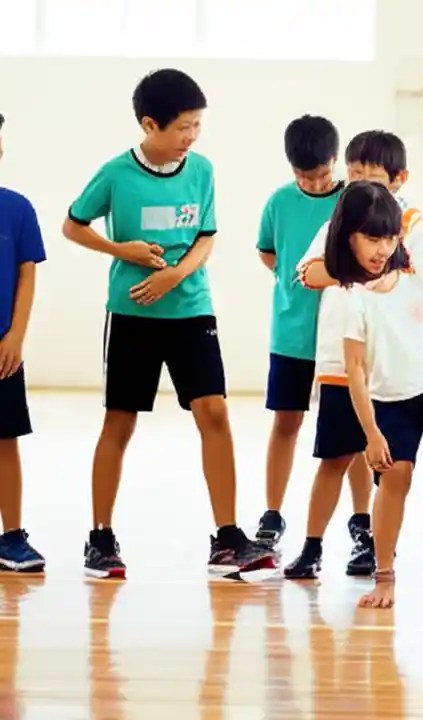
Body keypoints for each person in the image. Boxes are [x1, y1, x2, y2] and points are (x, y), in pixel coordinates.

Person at [62, 69, 273, 579]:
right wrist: (122, 250)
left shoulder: (201, 170)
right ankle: (100, 538)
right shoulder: (116, 174)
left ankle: (227, 538)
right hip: (133, 313)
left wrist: (176, 274)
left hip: (191, 308)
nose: (192, 136)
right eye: (183, 127)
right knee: (120, 420)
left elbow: (206, 235)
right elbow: (73, 225)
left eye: (198, 125)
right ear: (149, 125)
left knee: (214, 412)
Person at [284, 130, 423, 578]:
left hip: (396, 371)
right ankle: (312, 546)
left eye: (370, 177)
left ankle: (374, 544)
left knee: (390, 466)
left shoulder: (419, 228)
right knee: (334, 457)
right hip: (341, 362)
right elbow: (308, 274)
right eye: (353, 175)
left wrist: (357, 268)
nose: (359, 185)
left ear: (399, 178)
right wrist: (359, 268)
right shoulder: (339, 223)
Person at [326, 181, 423, 609]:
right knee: (395, 480)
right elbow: (355, 371)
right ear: (347, 237)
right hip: (390, 404)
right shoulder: (351, 299)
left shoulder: (418, 281)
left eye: (390, 238)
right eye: (371, 238)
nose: (382, 249)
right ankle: (384, 577)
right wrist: (371, 433)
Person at [254, 115, 348, 551]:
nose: (313, 183)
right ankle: (272, 512)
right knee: (286, 422)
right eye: (303, 176)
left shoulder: (351, 201)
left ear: (336, 160)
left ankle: (361, 518)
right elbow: (268, 252)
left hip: (342, 336)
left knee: (349, 429)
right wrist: (294, 281)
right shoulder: (278, 202)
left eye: (322, 174)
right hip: (290, 334)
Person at [0, 111, 47, 571]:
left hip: (2, 348)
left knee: (5, 440)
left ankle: (11, 537)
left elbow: (26, 275)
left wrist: (16, 335)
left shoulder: (17, 209)